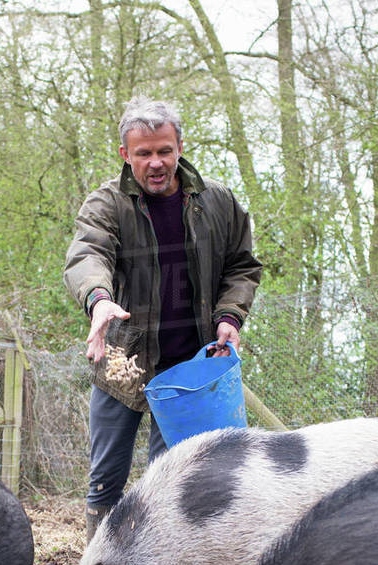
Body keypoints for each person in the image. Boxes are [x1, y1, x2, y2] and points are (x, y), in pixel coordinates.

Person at [63, 97, 263, 542]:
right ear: (125, 154)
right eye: (143, 153)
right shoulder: (108, 205)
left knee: (171, 479)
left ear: (179, 147)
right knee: (105, 478)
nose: (156, 163)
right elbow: (87, 254)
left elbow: (242, 266)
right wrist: (99, 300)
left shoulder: (217, 202)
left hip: (188, 370)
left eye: (164, 151)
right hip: (123, 360)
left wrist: (230, 316)